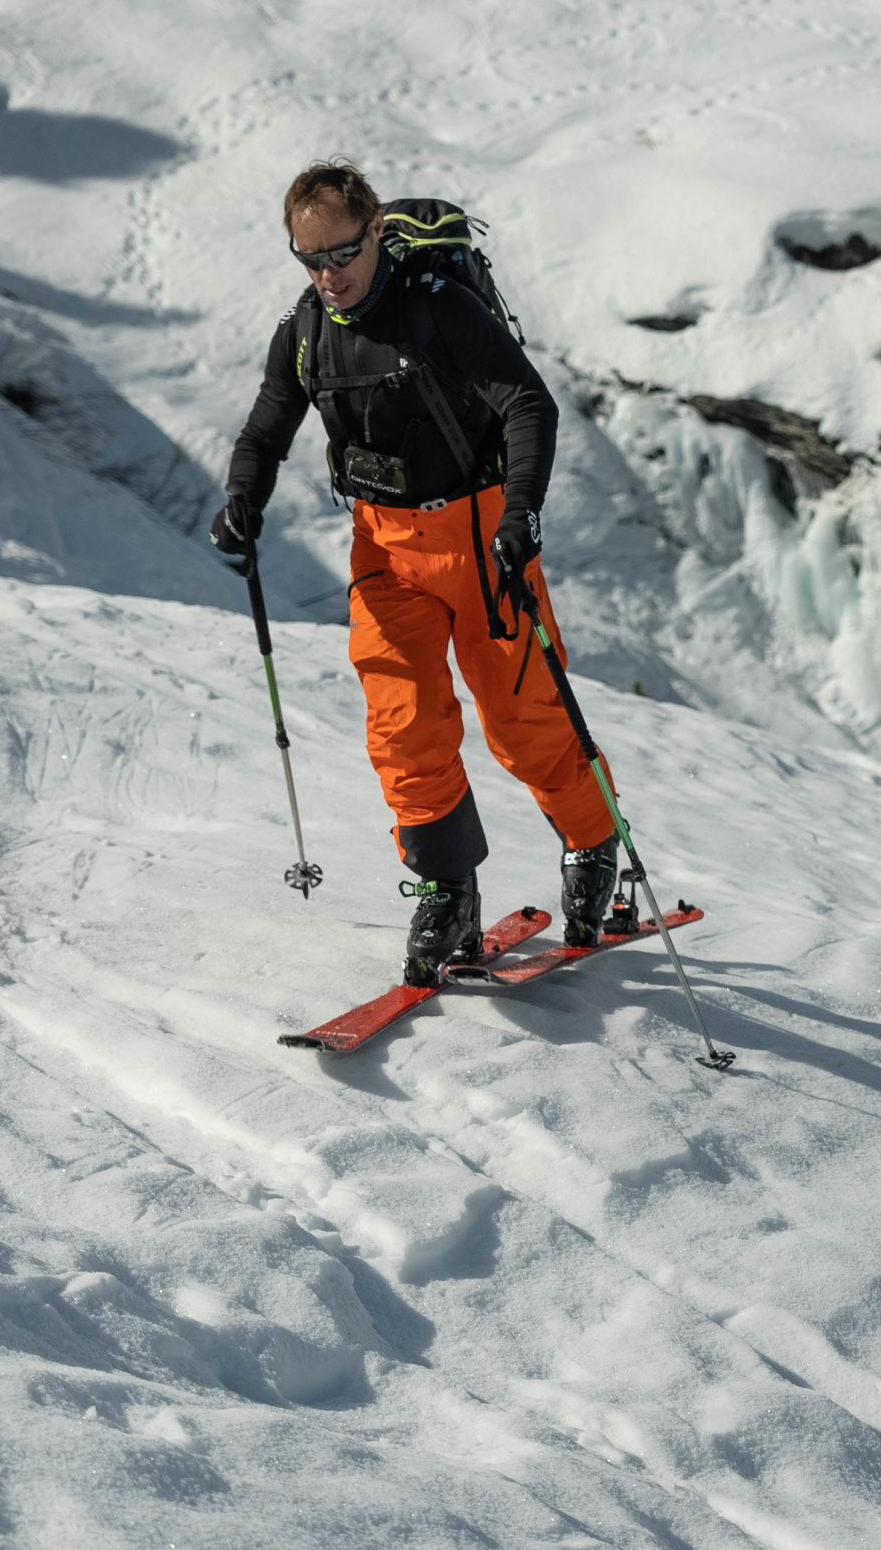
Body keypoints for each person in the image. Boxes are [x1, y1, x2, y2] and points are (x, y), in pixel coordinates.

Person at [212, 160, 620, 982]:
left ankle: (592, 843)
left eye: (340, 254)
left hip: (480, 538)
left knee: (524, 720)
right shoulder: (305, 332)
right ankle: (447, 890)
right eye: (309, 259)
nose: (327, 274)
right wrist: (241, 501)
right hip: (383, 549)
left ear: (375, 236)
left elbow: (526, 404)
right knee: (402, 724)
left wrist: (521, 513)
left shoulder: (439, 310)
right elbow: (265, 430)